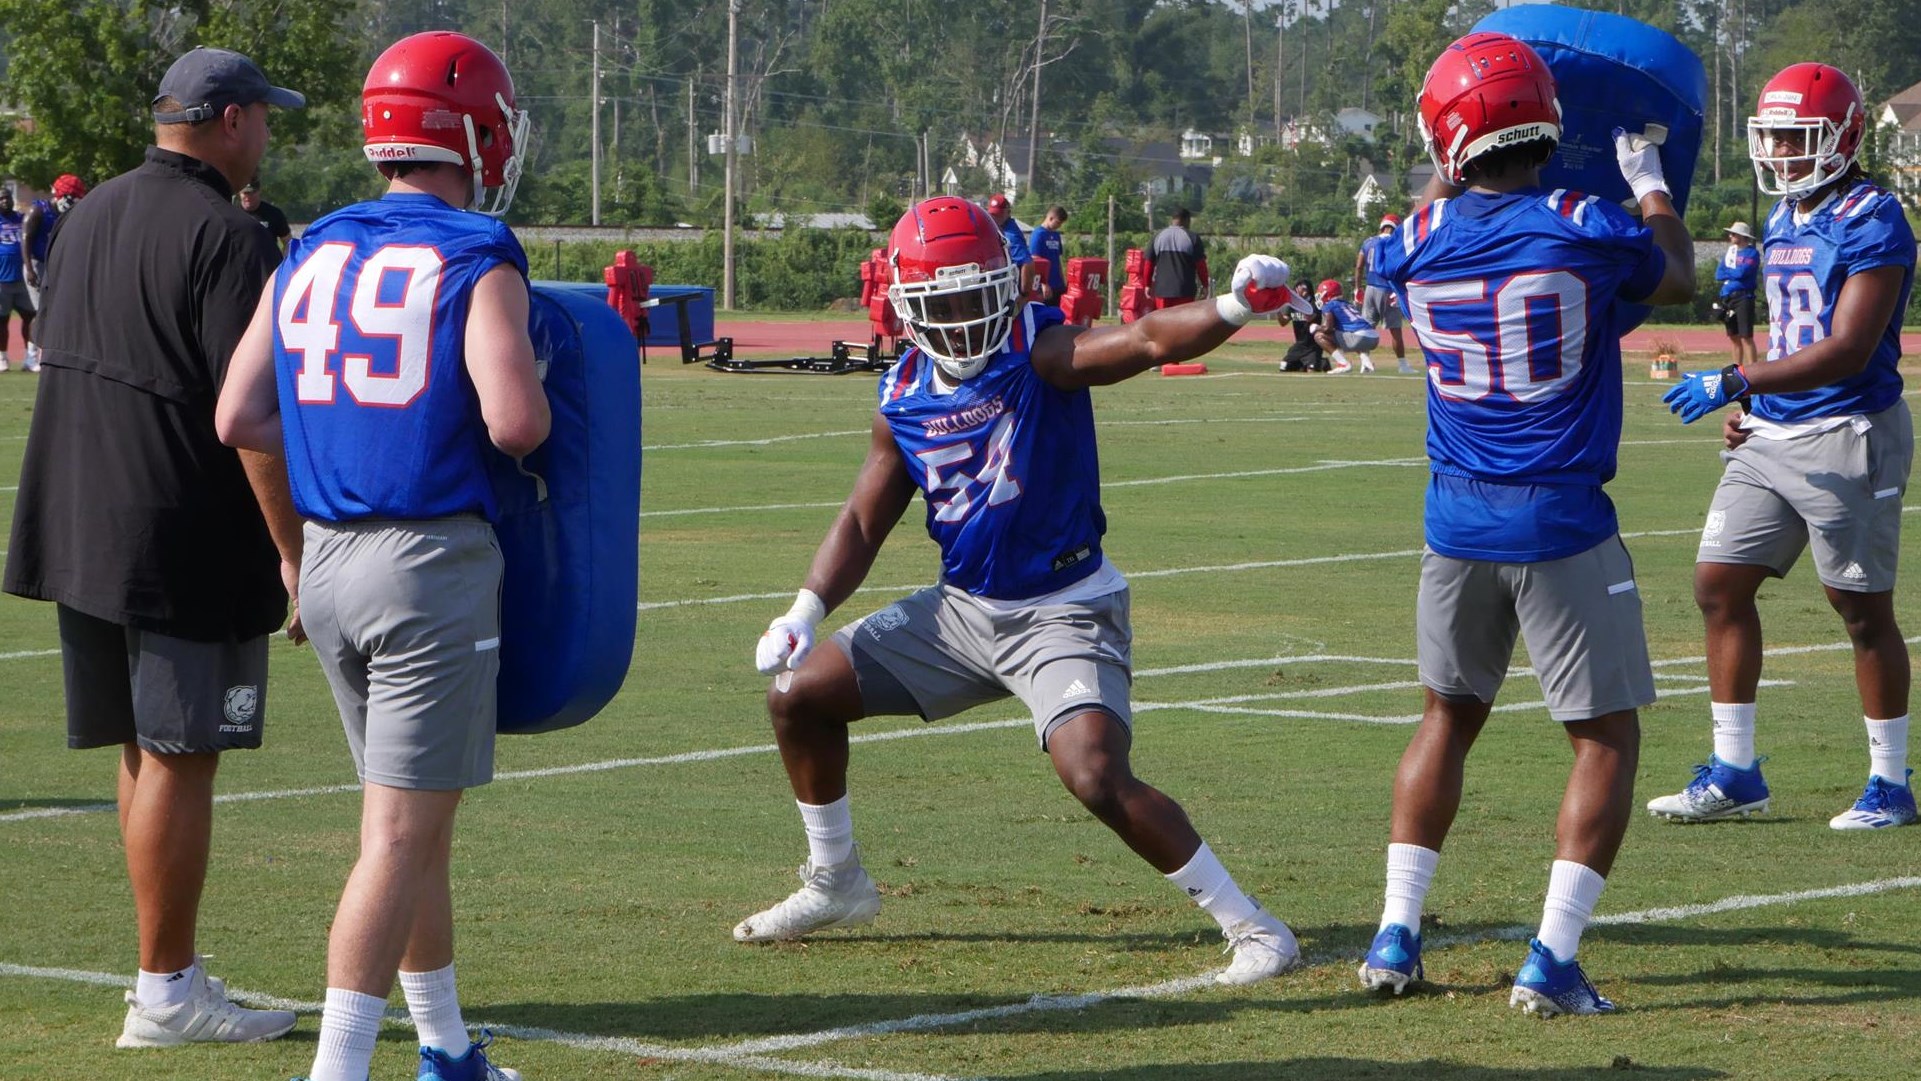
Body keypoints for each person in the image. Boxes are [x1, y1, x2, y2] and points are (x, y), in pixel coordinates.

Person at [735, 194, 1315, 986]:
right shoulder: (903, 392)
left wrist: (1234, 305)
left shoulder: (1038, 350)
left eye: (979, 293)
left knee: (1094, 773)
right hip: (962, 610)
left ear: (1007, 285)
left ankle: (1253, 926)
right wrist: (805, 606)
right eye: (945, 300)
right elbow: (863, 520)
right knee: (798, 694)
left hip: (1064, 607)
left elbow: (1143, 338)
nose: (966, 314)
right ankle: (836, 880)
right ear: (908, 306)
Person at [217, 31, 544, 1081]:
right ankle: (340, 1070)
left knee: (410, 825)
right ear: (470, 133)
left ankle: (447, 1050)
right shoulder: (473, 248)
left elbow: (238, 412)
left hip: (329, 559)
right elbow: (513, 421)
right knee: (398, 840)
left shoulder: (307, 245)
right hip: (424, 564)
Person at [1354, 32, 1695, 1017]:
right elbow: (1673, 276)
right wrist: (1651, 183)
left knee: (1444, 718)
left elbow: (1429, 218)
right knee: (1604, 738)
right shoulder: (1584, 224)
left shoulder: (1406, 244)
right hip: (1559, 520)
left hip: (1455, 520)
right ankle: (1550, 956)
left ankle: (1394, 932)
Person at [1, 46, 306, 1048]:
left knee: (145, 749)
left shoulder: (89, 210)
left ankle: (164, 976)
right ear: (227, 119)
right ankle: (167, 990)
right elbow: (249, 416)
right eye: (262, 114)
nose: (268, 130)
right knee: (183, 753)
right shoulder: (229, 235)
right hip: (175, 526)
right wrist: (294, 549)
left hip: (77, 514)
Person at [1652, 63, 1917, 831]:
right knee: (1717, 583)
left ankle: (1888, 782)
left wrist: (1737, 381)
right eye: (1772, 137)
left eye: (1797, 139)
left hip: (1845, 432)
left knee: (1859, 609)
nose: (1782, 154)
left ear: (1843, 137)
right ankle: (1736, 769)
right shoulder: (1783, 217)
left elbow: (1847, 347)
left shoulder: (1873, 217)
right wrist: (1755, 398)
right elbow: (1788, 332)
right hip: (1773, 431)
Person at [19, 173, 86, 371]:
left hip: (55, 264)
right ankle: (31, 356)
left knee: (57, 310)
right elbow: (26, 240)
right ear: (64, 196)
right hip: (36, 264)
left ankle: (49, 351)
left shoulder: (67, 214)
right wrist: (30, 269)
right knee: (41, 311)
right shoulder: (38, 211)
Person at [1354, 213, 1413, 373]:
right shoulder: (1394, 242)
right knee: (1395, 329)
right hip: (1386, 289)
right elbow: (1399, 266)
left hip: (1369, 288)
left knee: (1365, 328)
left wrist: (1357, 288)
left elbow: (1359, 266)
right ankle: (1402, 365)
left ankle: (1364, 362)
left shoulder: (1367, 242)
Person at [1712, 220, 1760, 367]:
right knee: (1733, 335)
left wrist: (1730, 273)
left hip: (1743, 297)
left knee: (1746, 336)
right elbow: (1719, 274)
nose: (1730, 236)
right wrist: (1731, 273)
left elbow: (1742, 273)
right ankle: (1736, 368)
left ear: (1742, 236)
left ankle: (1753, 368)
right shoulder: (1730, 253)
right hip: (1728, 297)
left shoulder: (1752, 253)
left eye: (1733, 234)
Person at [1312, 278, 1379, 373]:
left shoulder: (1329, 306)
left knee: (1319, 335)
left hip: (1358, 338)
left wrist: (1316, 327)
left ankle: (1343, 364)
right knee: (1349, 332)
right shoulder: (1348, 304)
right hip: (1374, 338)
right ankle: (1366, 362)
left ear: (1327, 294)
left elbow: (1328, 328)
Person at [1147, 207, 1208, 309]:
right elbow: (1201, 265)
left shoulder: (1158, 236)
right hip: (1184, 291)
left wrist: (1147, 285)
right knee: (1182, 323)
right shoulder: (1192, 237)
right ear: (1187, 220)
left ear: (1173, 219)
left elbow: (1148, 263)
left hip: (1162, 291)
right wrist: (1205, 284)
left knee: (1163, 322)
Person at [0, 188, 33, 372]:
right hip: (1, 280)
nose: (5, 201)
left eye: (7, 197)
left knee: (29, 318)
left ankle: (30, 357)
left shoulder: (22, 219)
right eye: (1, 198)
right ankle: (3, 358)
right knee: (2, 320)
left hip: (22, 279)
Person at [984, 193, 1036, 298]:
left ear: (1008, 212)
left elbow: (1027, 263)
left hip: (1011, 289)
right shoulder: (996, 228)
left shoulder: (1011, 235)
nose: (994, 218)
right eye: (992, 214)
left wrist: (1023, 295)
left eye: (998, 214)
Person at [238, 177, 291, 254]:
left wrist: (283, 261)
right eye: (245, 193)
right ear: (239, 193)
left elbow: (288, 242)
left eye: (252, 193)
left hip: (269, 263)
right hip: (242, 263)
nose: (248, 197)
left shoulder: (274, 213)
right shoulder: (232, 213)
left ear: (259, 191)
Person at [1028, 204, 1069, 302]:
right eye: (1058, 222)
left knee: (1058, 315)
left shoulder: (1056, 235)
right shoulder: (1038, 234)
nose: (1059, 226)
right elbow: (1036, 261)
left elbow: (1058, 260)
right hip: (1045, 286)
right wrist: (1044, 283)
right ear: (1051, 218)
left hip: (1057, 284)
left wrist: (1063, 281)